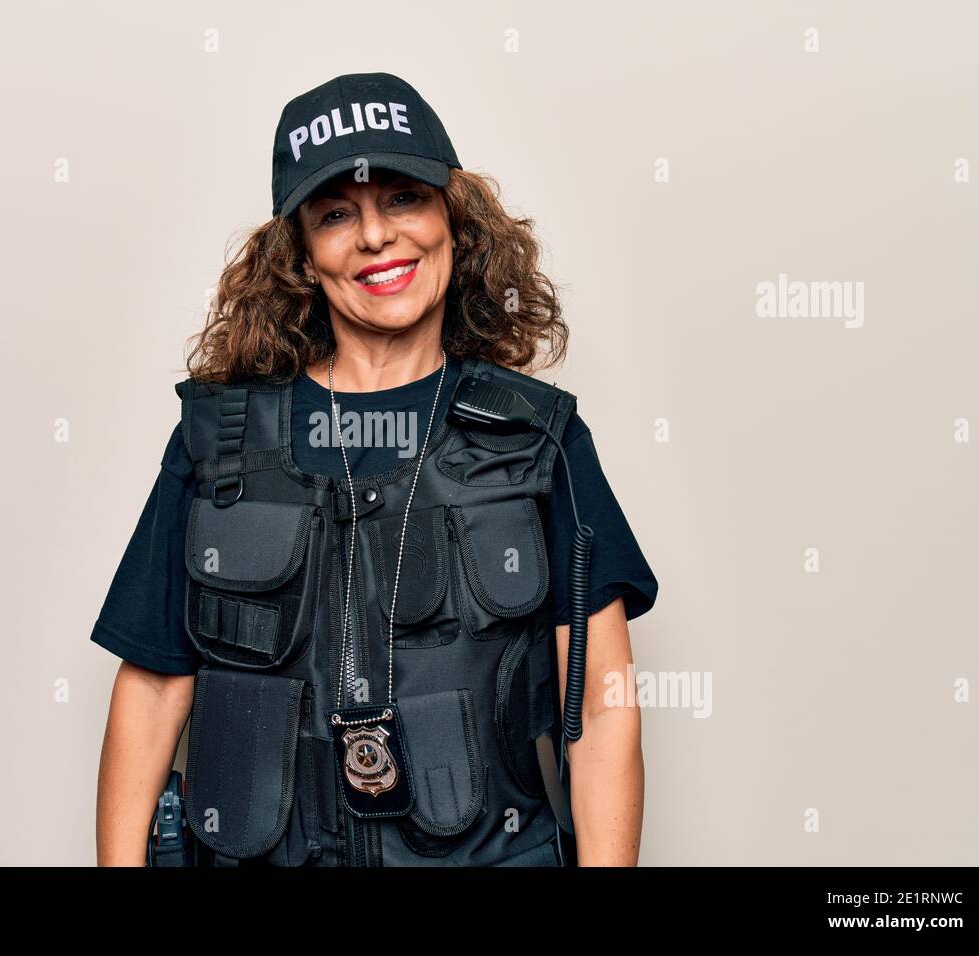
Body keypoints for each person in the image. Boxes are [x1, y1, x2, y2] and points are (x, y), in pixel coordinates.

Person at [92, 72, 657, 867]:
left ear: (454, 220)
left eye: (403, 199)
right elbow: (152, 691)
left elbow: (602, 701)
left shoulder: (539, 440)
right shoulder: (219, 440)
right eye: (336, 215)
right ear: (300, 254)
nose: (376, 238)